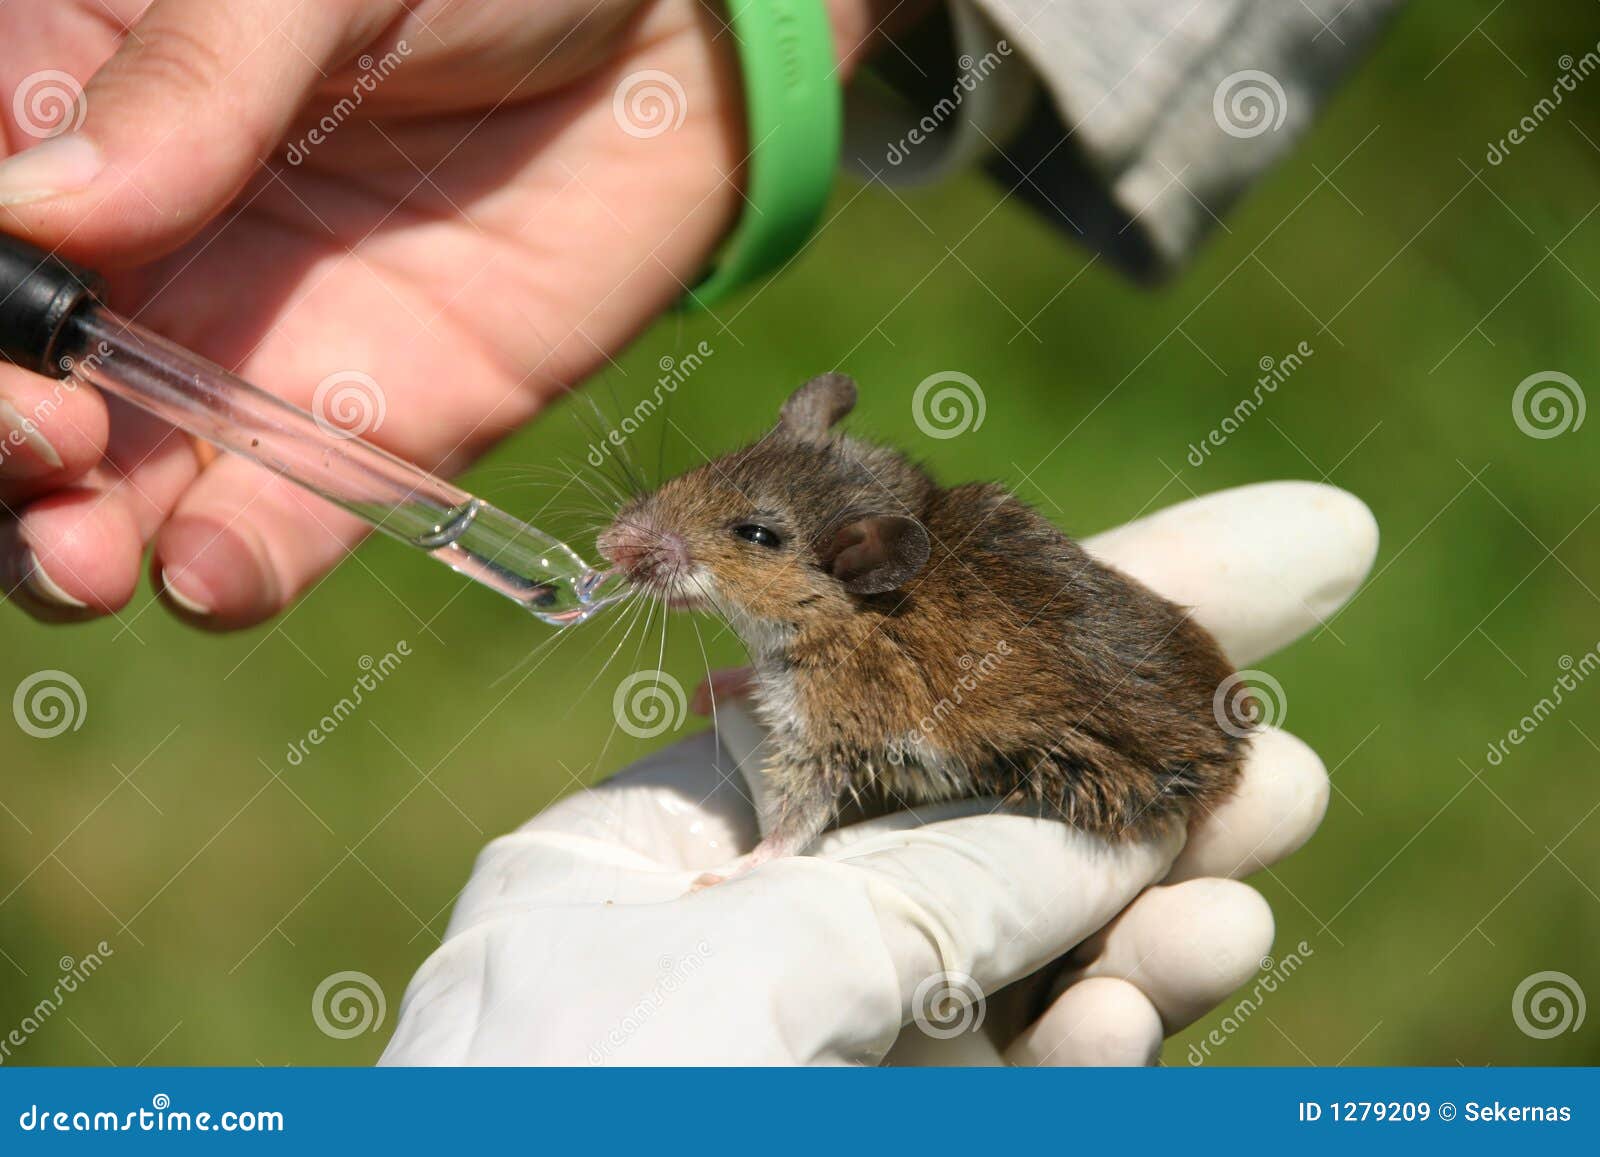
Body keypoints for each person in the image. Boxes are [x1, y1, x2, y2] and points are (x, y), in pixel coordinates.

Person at [0, 0, 1393, 1063]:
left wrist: (771, 860)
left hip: (1106, 769)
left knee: (1019, 898)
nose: (642, 544)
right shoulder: (845, 594)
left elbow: (827, 756)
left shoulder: (860, 646)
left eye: (738, 540)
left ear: (860, 569)